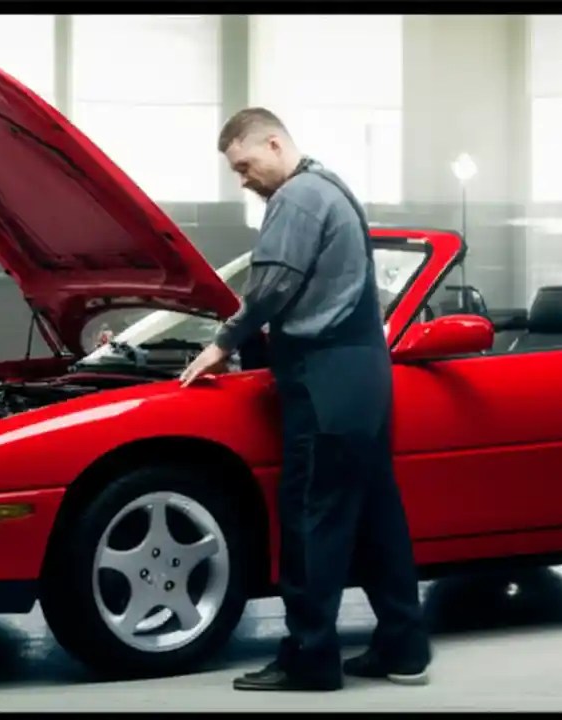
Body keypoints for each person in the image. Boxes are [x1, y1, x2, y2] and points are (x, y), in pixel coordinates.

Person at [180, 108, 431, 691]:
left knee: (311, 519)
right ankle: (404, 646)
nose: (242, 179)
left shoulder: (295, 198)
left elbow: (271, 286)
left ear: (273, 143)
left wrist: (223, 343)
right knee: (375, 518)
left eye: (244, 165)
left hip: (323, 380)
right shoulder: (335, 188)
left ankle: (310, 657)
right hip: (364, 376)